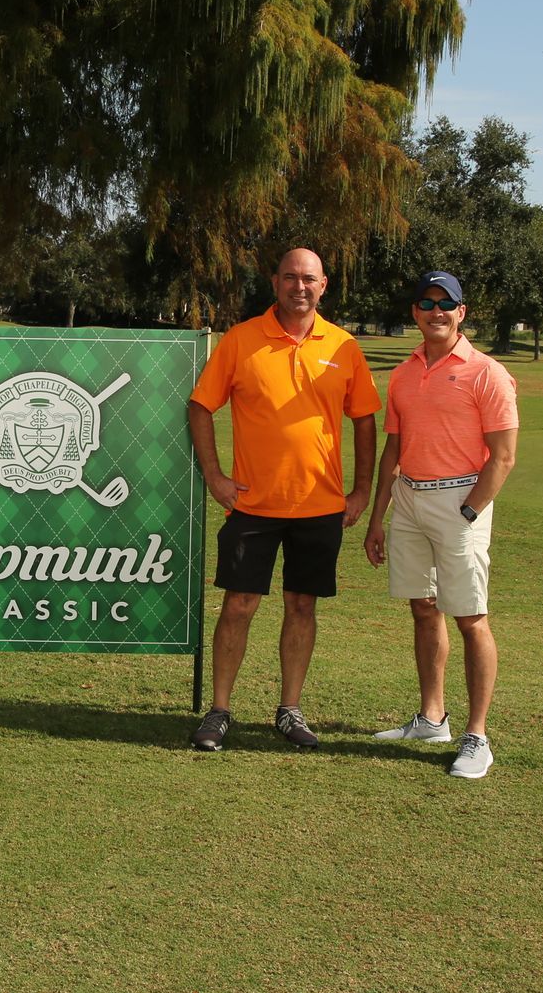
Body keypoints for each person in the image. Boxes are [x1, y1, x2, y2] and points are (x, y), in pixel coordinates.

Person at [185, 248, 380, 751]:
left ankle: (290, 710)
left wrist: (360, 490)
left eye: (308, 279)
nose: (299, 286)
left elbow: (364, 420)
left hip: (319, 508)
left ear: (324, 285)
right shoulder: (242, 339)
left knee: (301, 606)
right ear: (275, 282)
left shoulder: (344, 346)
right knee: (239, 605)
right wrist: (214, 475)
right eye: (290, 277)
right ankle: (220, 709)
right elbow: (201, 406)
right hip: (252, 505)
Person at [363, 270, 519, 779]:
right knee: (422, 607)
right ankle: (433, 719)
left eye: (445, 304)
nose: (436, 312)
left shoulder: (487, 373)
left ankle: (477, 737)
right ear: (415, 312)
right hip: (409, 497)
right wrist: (379, 515)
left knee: (470, 616)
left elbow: (503, 457)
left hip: (461, 501)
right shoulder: (405, 373)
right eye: (426, 303)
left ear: (462, 312)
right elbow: (393, 447)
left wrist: (470, 512)